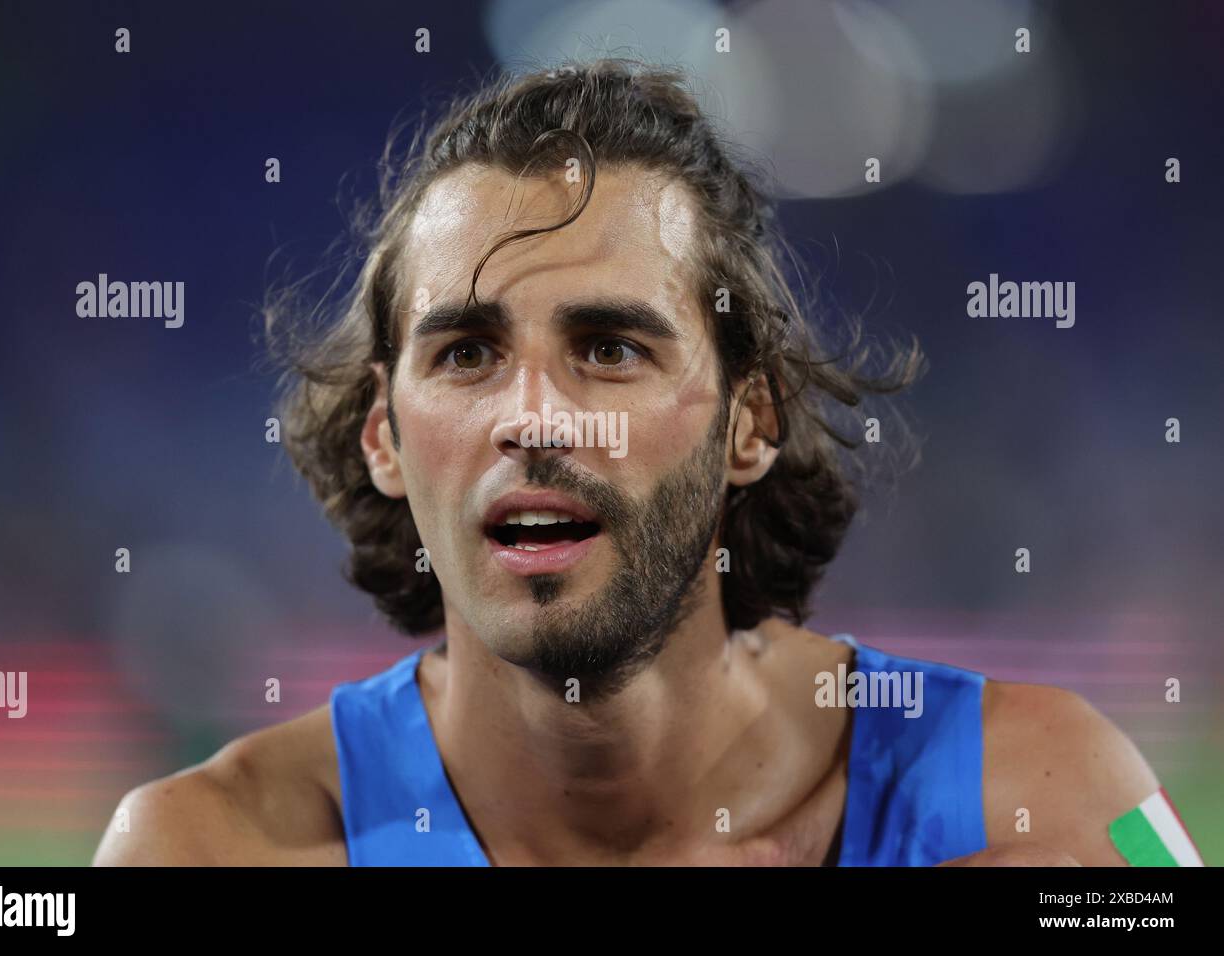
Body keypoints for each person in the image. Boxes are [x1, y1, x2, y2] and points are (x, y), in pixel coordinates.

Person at [94, 60, 1193, 867]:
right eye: (467, 352)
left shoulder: (1052, 801)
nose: (534, 418)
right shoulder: (198, 847)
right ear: (382, 434)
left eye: (609, 348)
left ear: (748, 421)